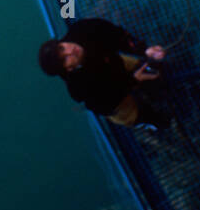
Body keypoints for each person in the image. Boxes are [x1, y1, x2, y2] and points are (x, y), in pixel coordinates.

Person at [38, 17, 170, 129]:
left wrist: (144, 50)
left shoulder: (82, 29)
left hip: (113, 63)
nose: (70, 51)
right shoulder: (79, 87)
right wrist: (133, 81)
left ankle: (150, 84)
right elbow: (106, 104)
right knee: (138, 115)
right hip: (111, 92)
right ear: (68, 69)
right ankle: (147, 121)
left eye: (62, 47)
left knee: (150, 70)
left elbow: (116, 34)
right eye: (65, 59)